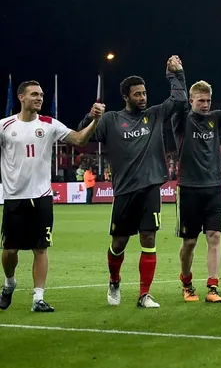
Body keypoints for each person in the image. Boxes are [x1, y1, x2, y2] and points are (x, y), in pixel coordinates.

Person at [87, 56, 187, 309]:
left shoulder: (154, 115)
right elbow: (84, 133)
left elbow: (180, 100)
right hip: (124, 191)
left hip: (151, 187)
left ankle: (144, 294)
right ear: (126, 97)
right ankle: (114, 280)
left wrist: (175, 74)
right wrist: (91, 117)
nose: (143, 98)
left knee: (149, 239)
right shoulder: (110, 119)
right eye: (137, 94)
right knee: (119, 242)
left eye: (144, 93)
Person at [0, 82, 101, 312]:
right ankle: (9, 283)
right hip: (15, 199)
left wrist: (95, 121)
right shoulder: (5, 126)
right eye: (34, 94)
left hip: (42, 198)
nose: (39, 98)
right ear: (21, 97)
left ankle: (38, 298)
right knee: (10, 251)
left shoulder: (49, 124)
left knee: (41, 249)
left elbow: (79, 139)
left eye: (42, 95)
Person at [171, 73, 221, 303]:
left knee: (214, 236)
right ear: (191, 101)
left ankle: (213, 288)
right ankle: (186, 281)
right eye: (200, 100)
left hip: (214, 187)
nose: (205, 105)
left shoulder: (213, 119)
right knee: (190, 242)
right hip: (189, 188)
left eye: (208, 101)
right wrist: (178, 75)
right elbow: (179, 101)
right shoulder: (182, 120)